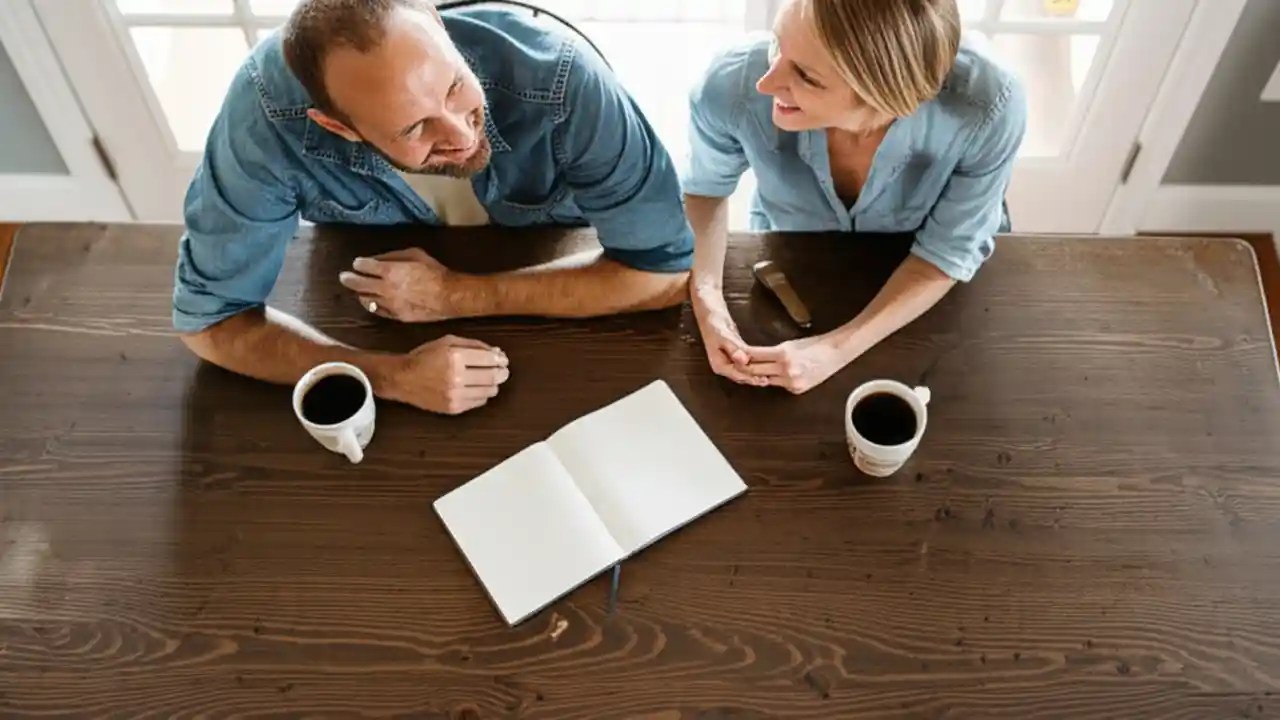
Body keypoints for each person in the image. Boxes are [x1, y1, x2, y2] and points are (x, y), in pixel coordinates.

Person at [173, 0, 692, 416]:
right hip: (369, 318)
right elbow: (212, 323)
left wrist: (455, 295)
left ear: (434, 20)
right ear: (341, 128)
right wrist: (389, 376)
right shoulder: (263, 120)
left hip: (563, 312)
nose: (463, 133)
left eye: (454, 87)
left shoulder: (562, 76)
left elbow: (664, 273)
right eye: (415, 127)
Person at [683, 0, 1026, 394]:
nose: (766, 83)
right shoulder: (729, 84)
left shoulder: (989, 105)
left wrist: (832, 351)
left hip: (929, 286)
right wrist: (707, 298)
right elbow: (703, 190)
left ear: (884, 97)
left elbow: (948, 251)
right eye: (778, 45)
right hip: (795, 258)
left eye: (807, 77)